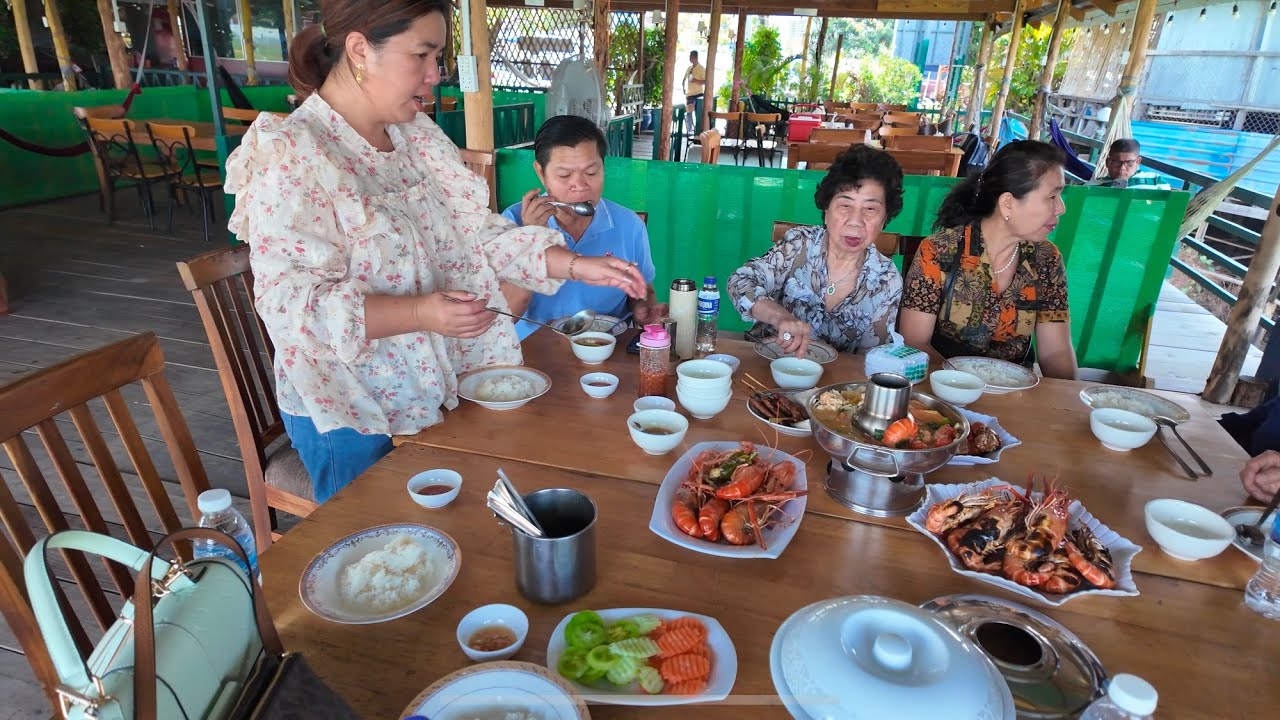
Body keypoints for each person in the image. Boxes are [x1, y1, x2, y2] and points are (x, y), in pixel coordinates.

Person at [223, 0, 645, 503]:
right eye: (421, 55)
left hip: (430, 384)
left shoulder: (415, 138)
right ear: (359, 49)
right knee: (372, 533)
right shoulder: (293, 153)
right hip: (350, 406)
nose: (435, 75)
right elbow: (291, 308)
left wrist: (576, 265)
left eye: (438, 57)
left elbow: (478, 233)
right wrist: (422, 312)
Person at [898, 140, 1078, 380]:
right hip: (946, 386)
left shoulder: (1046, 260)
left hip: (1017, 390)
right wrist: (968, 386)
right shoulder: (939, 252)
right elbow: (915, 343)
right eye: (1052, 196)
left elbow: (1056, 353)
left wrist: (1067, 399)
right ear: (1008, 203)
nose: (1061, 208)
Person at [726, 145, 904, 359]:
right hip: (768, 364)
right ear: (826, 210)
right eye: (845, 206)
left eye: (870, 209)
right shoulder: (799, 244)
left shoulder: (886, 279)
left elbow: (871, 360)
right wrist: (780, 317)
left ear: (884, 218)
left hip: (836, 379)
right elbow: (740, 281)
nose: (855, 221)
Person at [500, 115, 663, 340]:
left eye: (591, 173)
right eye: (564, 175)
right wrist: (530, 240)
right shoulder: (512, 223)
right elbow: (503, 316)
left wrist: (642, 309)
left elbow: (644, 290)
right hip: (531, 351)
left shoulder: (628, 224)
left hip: (606, 348)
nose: (580, 185)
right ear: (541, 173)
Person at [1086, 139, 1170, 189]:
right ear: (1107, 162)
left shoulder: (1155, 181)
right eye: (1116, 162)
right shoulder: (1093, 186)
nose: (1122, 168)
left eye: (1129, 163)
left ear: (1138, 161)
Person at [683, 50, 706, 133]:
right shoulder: (689, 68)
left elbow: (706, 82)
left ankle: (698, 130)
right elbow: (684, 78)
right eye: (689, 57)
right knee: (688, 113)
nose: (690, 59)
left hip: (698, 94)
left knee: (698, 113)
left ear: (695, 57)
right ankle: (689, 131)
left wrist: (696, 80)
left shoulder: (702, 69)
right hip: (690, 94)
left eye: (691, 57)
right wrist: (683, 88)